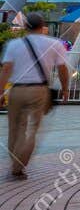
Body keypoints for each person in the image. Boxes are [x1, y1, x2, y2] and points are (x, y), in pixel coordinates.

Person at [2, 13, 71, 179]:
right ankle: (19, 166)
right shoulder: (55, 44)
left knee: (15, 129)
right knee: (33, 130)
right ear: (43, 26)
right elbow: (62, 69)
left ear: (26, 27)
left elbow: (6, 70)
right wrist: (65, 89)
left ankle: (15, 163)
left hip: (17, 90)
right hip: (40, 90)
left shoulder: (14, 45)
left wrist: (0, 91)